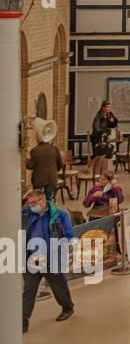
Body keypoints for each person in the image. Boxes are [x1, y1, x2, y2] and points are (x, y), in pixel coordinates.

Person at [21, 190, 75, 332]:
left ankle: (68, 308)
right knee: (29, 291)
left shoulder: (59, 215)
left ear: (43, 201)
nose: (31, 206)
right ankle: (23, 321)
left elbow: (69, 235)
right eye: (29, 203)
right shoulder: (26, 215)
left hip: (52, 259)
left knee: (59, 287)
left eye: (34, 203)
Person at [26, 134, 63, 204]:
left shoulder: (34, 150)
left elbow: (30, 166)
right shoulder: (54, 149)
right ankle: (49, 213)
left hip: (38, 179)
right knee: (49, 198)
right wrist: (54, 171)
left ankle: (39, 213)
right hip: (51, 177)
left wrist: (26, 159)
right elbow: (60, 163)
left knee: (37, 198)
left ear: (37, 140)